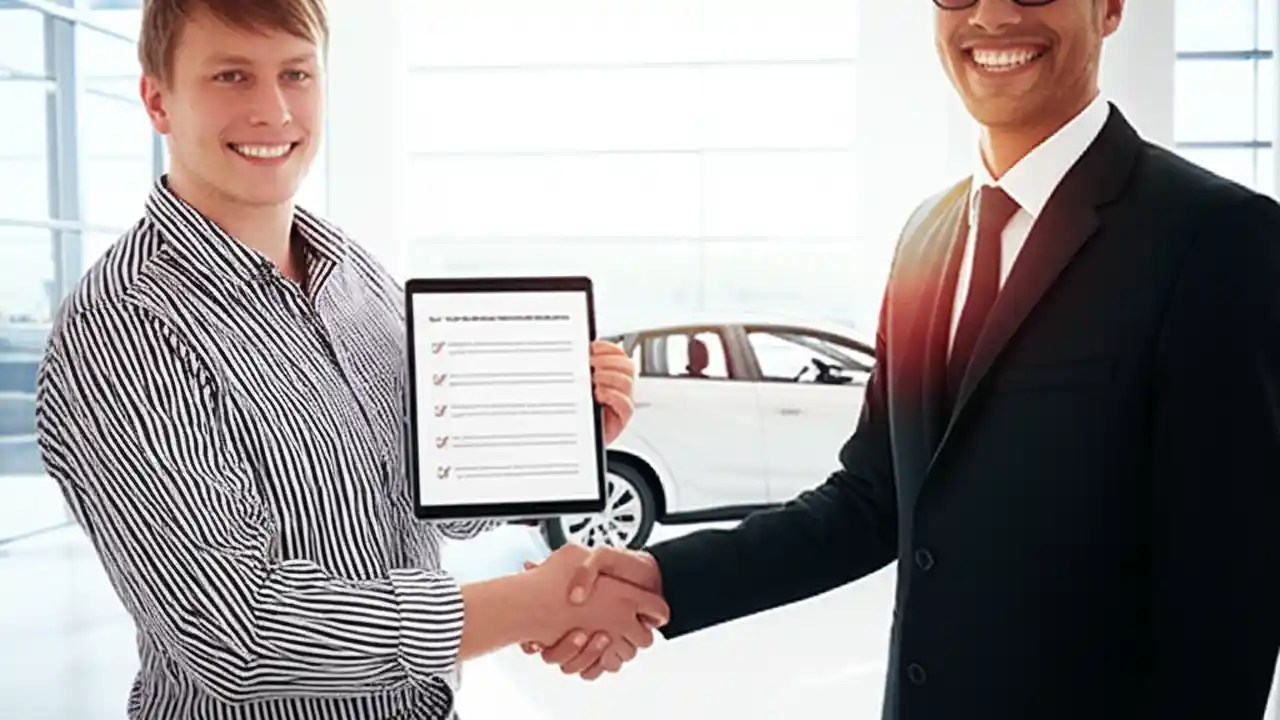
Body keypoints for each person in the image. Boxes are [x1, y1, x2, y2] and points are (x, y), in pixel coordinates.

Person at [534, 0, 1280, 716]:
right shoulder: (926, 235)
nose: (991, 16)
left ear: (1110, 7)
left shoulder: (1217, 240)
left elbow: (1228, 600)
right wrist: (663, 578)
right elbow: (872, 501)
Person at [33, 1, 665, 718]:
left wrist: (558, 437)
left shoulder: (353, 275)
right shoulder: (125, 327)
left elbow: (432, 503)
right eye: (231, 76)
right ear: (158, 100)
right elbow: (236, 635)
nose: (273, 110)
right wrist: (526, 607)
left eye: (296, 74)